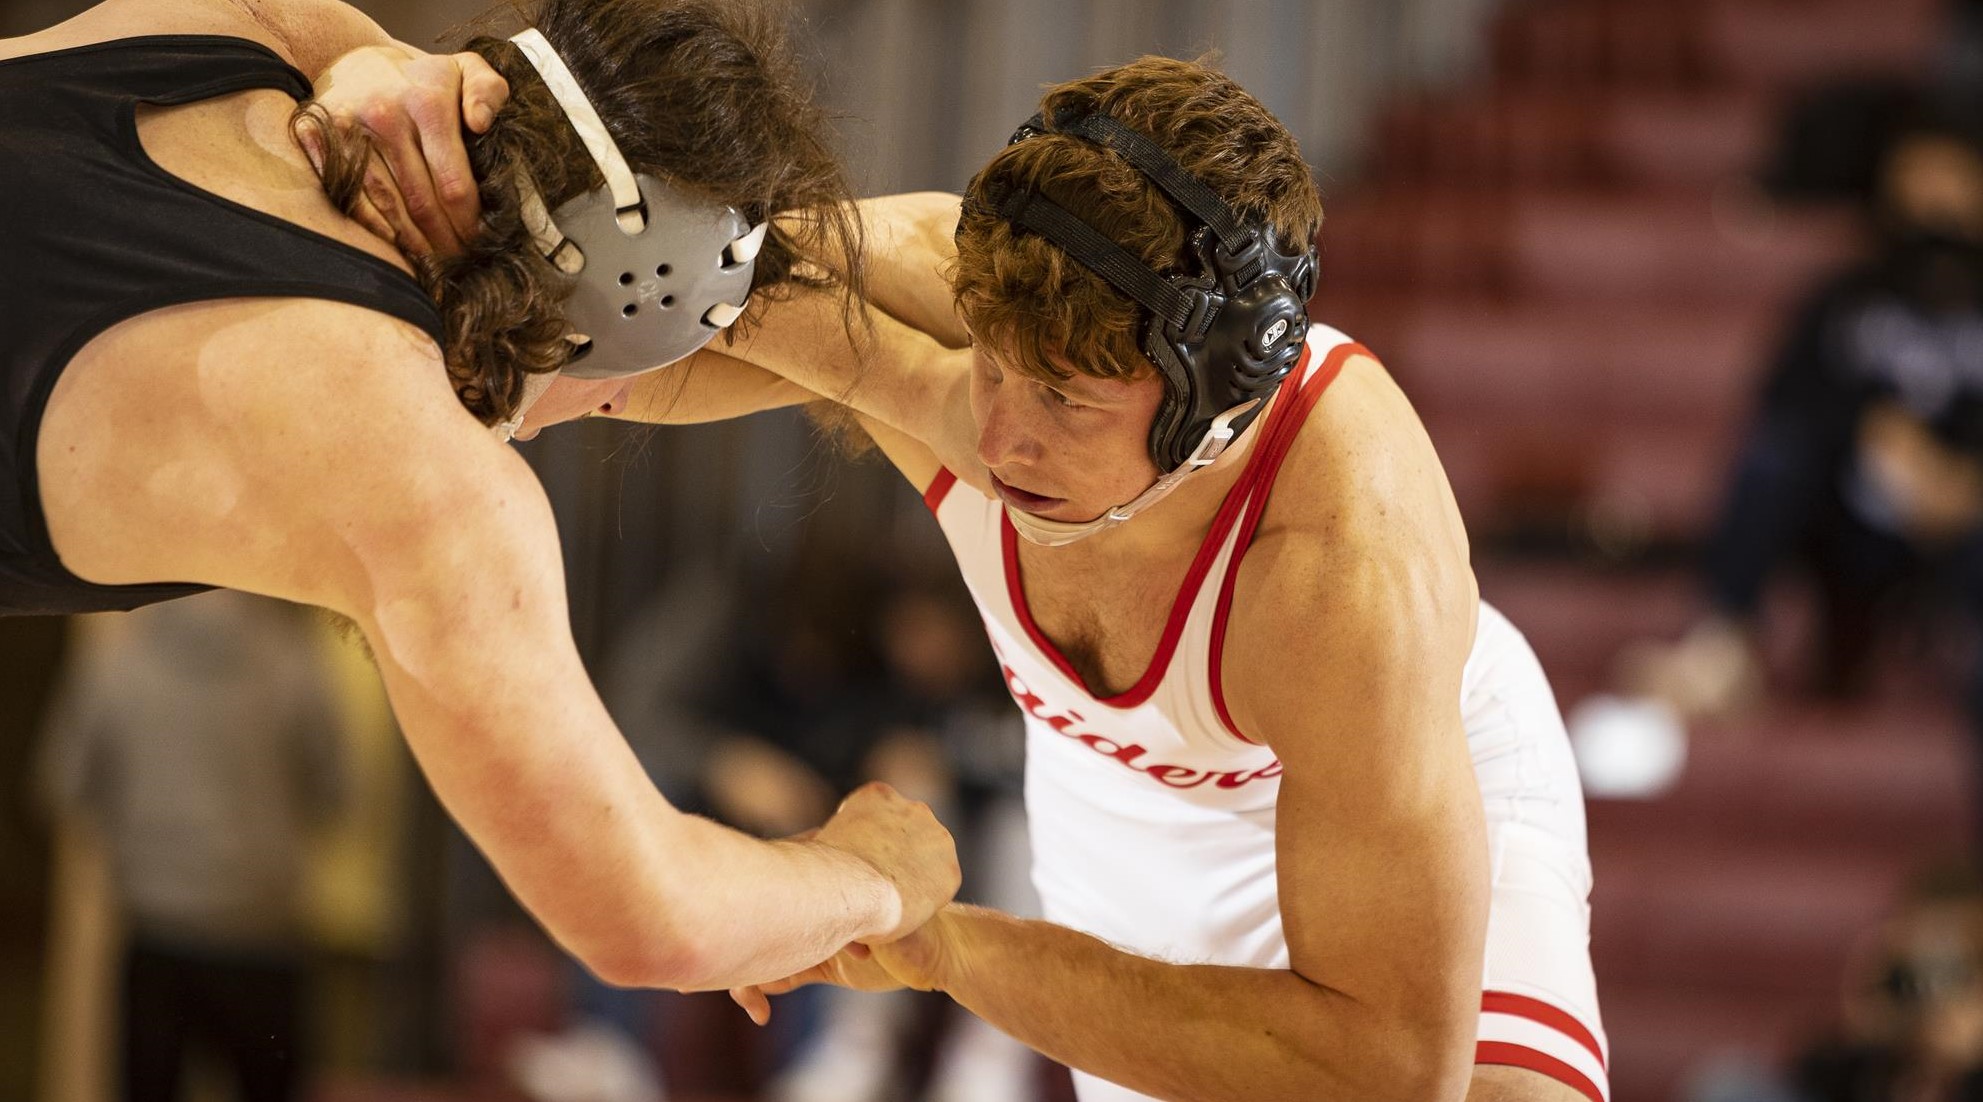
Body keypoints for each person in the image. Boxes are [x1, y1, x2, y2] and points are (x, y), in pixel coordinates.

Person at [606, 56, 1607, 1102]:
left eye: (1066, 401)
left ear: (1211, 401)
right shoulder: (950, 293)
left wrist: (936, 941)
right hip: (1115, 802)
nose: (998, 441)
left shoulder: (1342, 571)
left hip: (1391, 758)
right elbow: (619, 335)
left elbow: (1391, 1072)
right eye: (988, 366)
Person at [0, 0, 959, 995]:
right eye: (636, 375)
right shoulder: (421, 474)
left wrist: (393, 57)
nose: (625, 406)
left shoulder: (256, 28)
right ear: (616, 310)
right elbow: (653, 919)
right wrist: (874, 874)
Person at [38, 591, 344, 1102]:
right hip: (265, 935)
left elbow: (63, 785)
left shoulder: (120, 662)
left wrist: (143, 835)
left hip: (157, 930)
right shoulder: (295, 660)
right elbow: (336, 793)